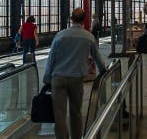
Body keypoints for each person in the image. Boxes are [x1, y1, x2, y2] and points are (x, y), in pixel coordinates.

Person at [43, 8, 107, 139]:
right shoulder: (89, 37)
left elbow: (51, 59)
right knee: (76, 112)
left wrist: (47, 78)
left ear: (71, 19)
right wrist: (103, 70)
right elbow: (97, 58)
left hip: (58, 78)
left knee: (59, 115)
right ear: (84, 19)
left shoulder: (60, 35)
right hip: (76, 79)